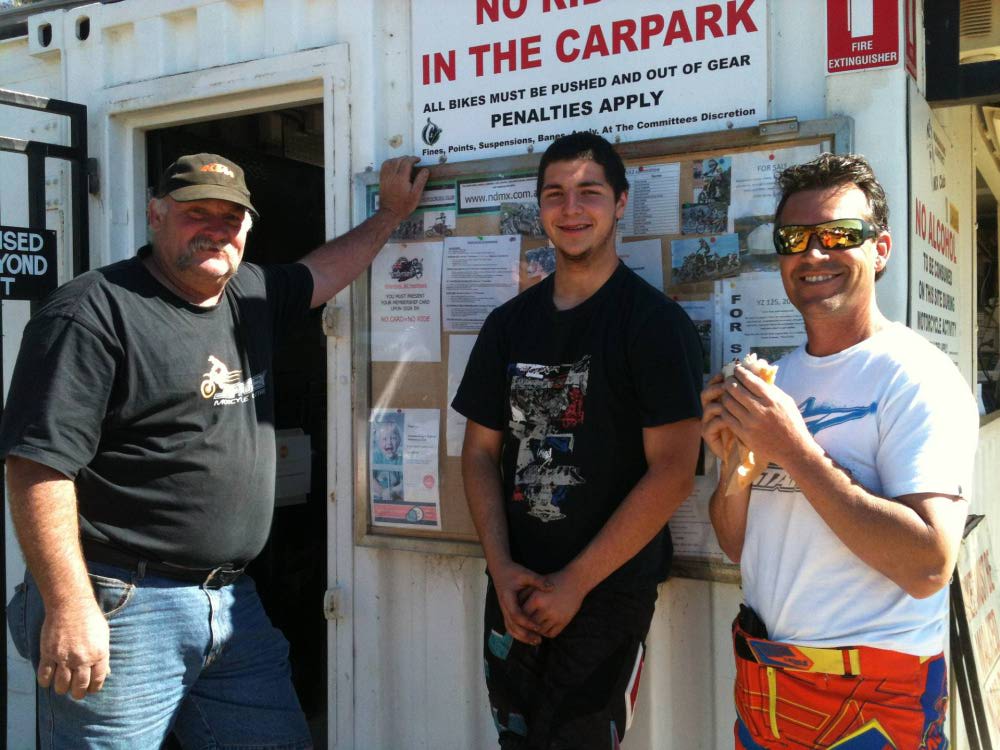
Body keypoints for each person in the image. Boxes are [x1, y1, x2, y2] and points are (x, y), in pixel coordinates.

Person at [2, 152, 427, 748]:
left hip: (230, 606)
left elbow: (322, 271)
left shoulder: (248, 294)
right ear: (156, 215)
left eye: (231, 217)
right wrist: (69, 606)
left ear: (248, 228)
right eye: (196, 212)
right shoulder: (92, 312)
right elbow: (36, 466)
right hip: (121, 605)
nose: (216, 228)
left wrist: (389, 214)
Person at [702, 153, 978, 748]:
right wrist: (737, 472)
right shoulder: (779, 379)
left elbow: (929, 564)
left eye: (838, 235)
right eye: (794, 238)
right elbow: (736, 545)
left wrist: (794, 449)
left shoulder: (917, 377)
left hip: (877, 698)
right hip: (769, 683)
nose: (814, 253)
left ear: (879, 250)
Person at [452, 133, 703, 749]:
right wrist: (503, 567)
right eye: (555, 194)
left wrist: (575, 583)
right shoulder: (508, 325)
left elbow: (673, 471)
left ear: (620, 203)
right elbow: (480, 454)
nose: (571, 209)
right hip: (515, 589)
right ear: (539, 208)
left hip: (605, 594)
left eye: (589, 192)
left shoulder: (654, 325)